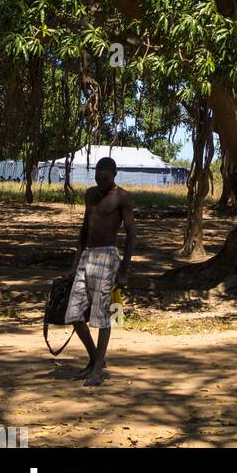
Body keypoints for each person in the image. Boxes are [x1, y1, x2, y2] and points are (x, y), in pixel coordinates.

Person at [65, 156, 136, 386]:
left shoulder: (122, 197)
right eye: (97, 176)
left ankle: (97, 370)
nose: (100, 181)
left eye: (104, 178)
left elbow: (132, 234)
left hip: (108, 257)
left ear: (114, 175)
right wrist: (75, 263)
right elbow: (84, 230)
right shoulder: (90, 194)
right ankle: (95, 359)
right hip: (87, 256)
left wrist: (124, 270)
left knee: (103, 316)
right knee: (74, 314)